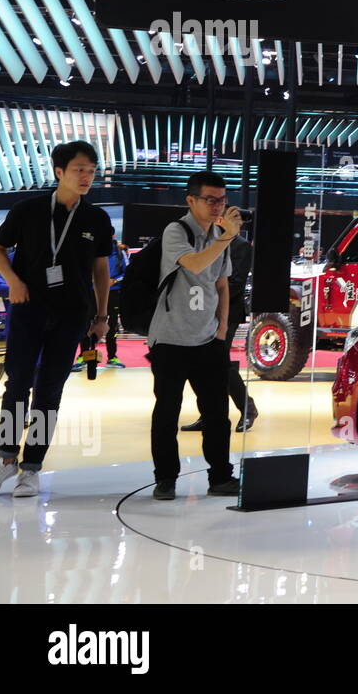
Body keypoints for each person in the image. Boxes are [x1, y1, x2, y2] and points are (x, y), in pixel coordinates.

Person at [0, 141, 113, 496]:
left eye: (92, 171)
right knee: (17, 383)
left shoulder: (96, 218)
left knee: (50, 390)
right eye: (80, 170)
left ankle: (31, 467)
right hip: (28, 308)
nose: (86, 177)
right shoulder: (27, 210)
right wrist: (14, 281)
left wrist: (102, 316)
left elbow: (101, 269)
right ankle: (4, 458)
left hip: (71, 315)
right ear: (59, 172)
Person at [147, 172, 242, 500]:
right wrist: (226, 238)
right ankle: (166, 478)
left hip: (207, 341)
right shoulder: (177, 231)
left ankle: (220, 477)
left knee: (217, 413)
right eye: (211, 199)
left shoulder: (220, 235)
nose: (218, 206)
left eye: (222, 199)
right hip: (170, 340)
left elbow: (221, 283)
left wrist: (223, 326)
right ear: (191, 201)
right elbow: (197, 264)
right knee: (167, 411)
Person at [181, 231, 258, 433]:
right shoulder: (205, 241)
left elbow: (235, 283)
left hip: (227, 313)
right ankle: (208, 413)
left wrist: (209, 297)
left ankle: (247, 408)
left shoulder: (241, 245)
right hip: (201, 311)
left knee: (220, 362)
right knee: (202, 365)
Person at [73, 239, 130, 371]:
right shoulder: (87, 249)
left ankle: (112, 357)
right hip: (90, 292)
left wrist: (114, 280)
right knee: (86, 323)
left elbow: (127, 272)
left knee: (112, 325)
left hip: (113, 293)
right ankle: (83, 356)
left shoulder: (119, 251)